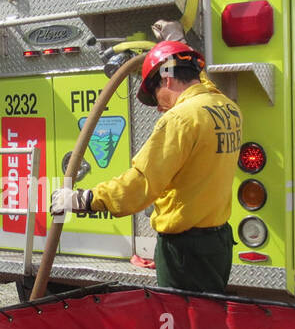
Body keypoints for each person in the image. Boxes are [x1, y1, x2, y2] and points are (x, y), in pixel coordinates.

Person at [51, 23, 242, 293]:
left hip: (185, 253)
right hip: (218, 245)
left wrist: (86, 199)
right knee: (206, 322)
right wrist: (180, 43)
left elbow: (141, 184)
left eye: (155, 96)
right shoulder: (226, 107)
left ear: (166, 80)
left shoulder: (179, 118)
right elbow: (203, 84)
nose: (158, 107)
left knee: (181, 327)